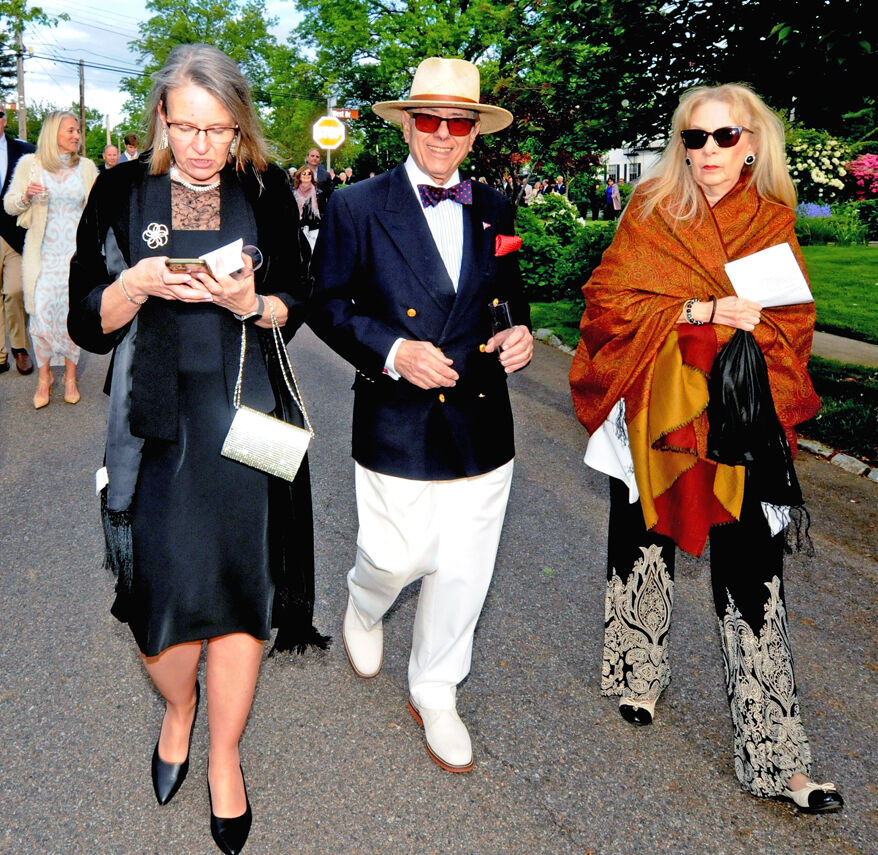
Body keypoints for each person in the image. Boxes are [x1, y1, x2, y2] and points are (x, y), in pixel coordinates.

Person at [67, 44, 324, 854]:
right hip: (155, 432)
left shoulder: (265, 189)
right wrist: (135, 284)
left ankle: (223, 752)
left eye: (219, 128)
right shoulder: (119, 190)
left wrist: (258, 301)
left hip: (247, 428)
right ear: (162, 119)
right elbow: (84, 318)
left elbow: (301, 294)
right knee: (159, 622)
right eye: (187, 126)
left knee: (245, 594)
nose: (203, 144)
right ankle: (179, 706)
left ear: (239, 124)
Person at [569, 83, 844, 814]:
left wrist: (746, 341)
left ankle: (778, 756)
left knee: (753, 574)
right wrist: (700, 309)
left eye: (725, 137)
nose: (710, 152)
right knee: (641, 535)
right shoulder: (653, 209)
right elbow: (607, 300)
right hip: (657, 413)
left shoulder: (772, 222)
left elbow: (794, 330)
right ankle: (637, 666)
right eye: (695, 138)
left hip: (739, 425)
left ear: (753, 142)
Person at [309, 56, 533, 774]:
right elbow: (328, 306)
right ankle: (364, 599)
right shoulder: (355, 206)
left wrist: (517, 330)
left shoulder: (496, 205)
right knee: (397, 555)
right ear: (407, 124)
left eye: (457, 122)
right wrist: (396, 349)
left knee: (464, 569)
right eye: (428, 119)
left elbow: (506, 294)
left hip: (479, 414)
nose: (442, 134)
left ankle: (436, 688)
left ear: (473, 132)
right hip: (396, 410)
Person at [4, 111, 97, 408]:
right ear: (53, 132)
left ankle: (70, 376)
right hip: (42, 256)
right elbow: (9, 206)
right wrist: (26, 197)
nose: (76, 136)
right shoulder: (30, 165)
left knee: (71, 317)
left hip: (74, 257)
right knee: (41, 318)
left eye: (78, 131)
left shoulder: (86, 167)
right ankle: (45, 378)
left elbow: (98, 210)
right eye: (70, 130)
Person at [0, 106, 36, 376]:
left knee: (14, 291)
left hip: (14, 234)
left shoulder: (24, 151)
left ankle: (20, 348)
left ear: (4, 120)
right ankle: (1, 352)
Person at [292, 163, 321, 254]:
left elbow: (323, 210)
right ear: (299, 176)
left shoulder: (319, 193)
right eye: (303, 173)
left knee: (313, 253)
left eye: (309, 174)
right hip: (298, 227)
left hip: (314, 227)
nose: (306, 176)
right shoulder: (293, 193)